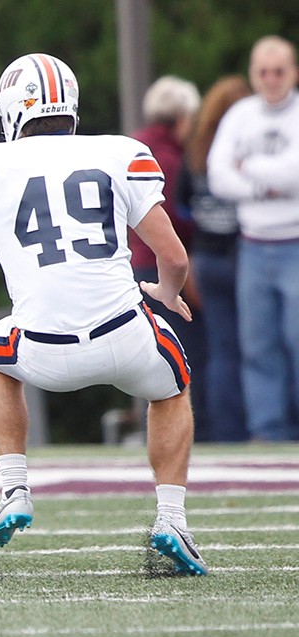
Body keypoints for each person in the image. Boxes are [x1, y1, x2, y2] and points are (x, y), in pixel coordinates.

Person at [0, 53, 207, 576]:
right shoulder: (120, 153)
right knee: (173, 387)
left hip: (42, 346)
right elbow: (174, 257)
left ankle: (15, 488)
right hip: (125, 335)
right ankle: (172, 520)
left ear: (12, 110)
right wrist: (166, 292)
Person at [208, 35, 299, 442]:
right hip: (253, 244)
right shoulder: (240, 115)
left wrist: (249, 167)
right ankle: (268, 431)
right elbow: (218, 175)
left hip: (295, 241)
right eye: (263, 71)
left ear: (293, 72)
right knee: (257, 345)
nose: (271, 79)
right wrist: (268, 183)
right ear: (253, 74)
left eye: (279, 71)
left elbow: (293, 173)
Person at [127, 75, 206, 442]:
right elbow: (172, 221)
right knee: (178, 358)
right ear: (180, 117)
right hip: (161, 267)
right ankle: (184, 436)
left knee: (144, 358)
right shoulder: (169, 158)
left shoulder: (132, 146)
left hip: (128, 264)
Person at [176, 76, 252, 442]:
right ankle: (260, 428)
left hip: (205, 257)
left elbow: (181, 204)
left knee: (221, 350)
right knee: (258, 347)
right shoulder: (243, 145)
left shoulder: (197, 149)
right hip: (243, 254)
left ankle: (228, 432)